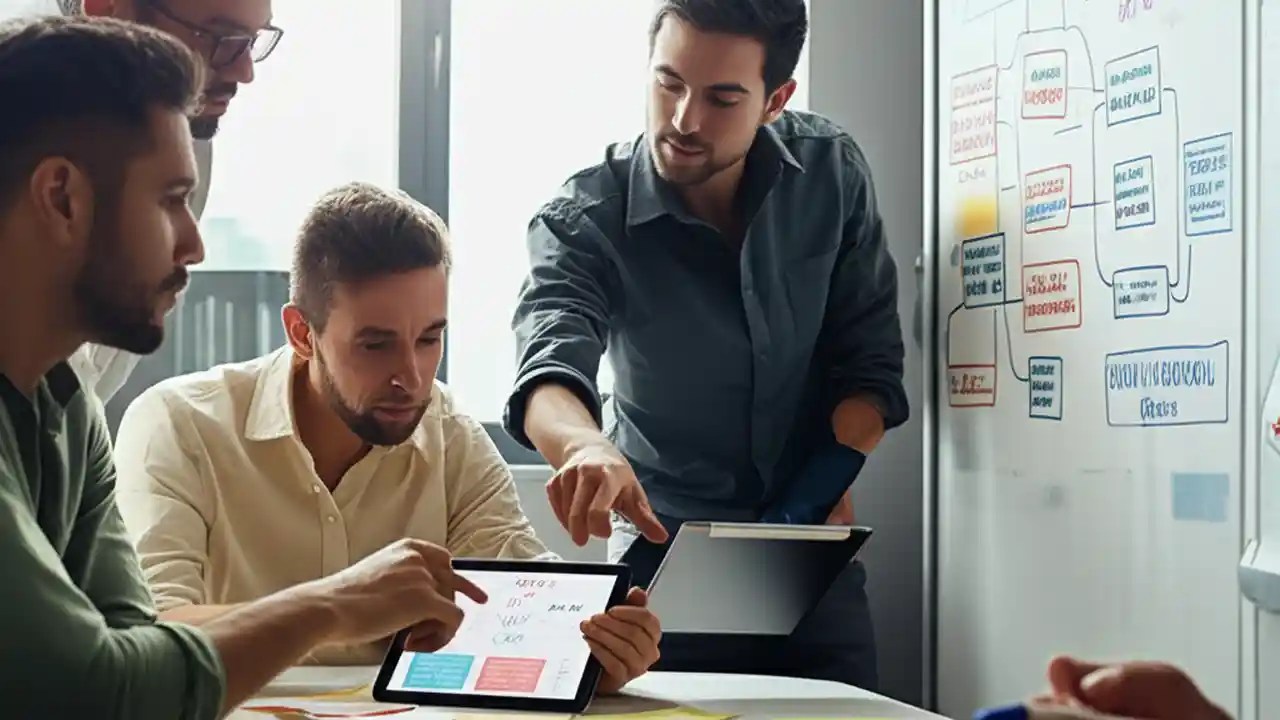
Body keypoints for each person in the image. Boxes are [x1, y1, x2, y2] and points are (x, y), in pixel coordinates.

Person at [0, 16, 486, 718]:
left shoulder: (68, 404)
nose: (195, 245)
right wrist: (335, 604)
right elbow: (102, 690)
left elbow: (139, 647)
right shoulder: (159, 419)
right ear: (62, 198)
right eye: (171, 202)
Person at [113, 181, 662, 692]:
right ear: (303, 333)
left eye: (429, 339)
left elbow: (522, 597)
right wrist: (339, 604)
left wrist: (593, 654)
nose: (413, 377)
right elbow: (153, 636)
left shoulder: (448, 433)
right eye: (375, 345)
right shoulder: (179, 426)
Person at [504, 0, 907, 689]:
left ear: (775, 100)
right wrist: (584, 446)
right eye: (669, 85)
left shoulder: (831, 174)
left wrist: (811, 498)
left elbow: (870, 368)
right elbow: (550, 358)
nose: (685, 120)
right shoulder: (584, 217)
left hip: (808, 555)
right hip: (660, 563)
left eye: (722, 98)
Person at [65, 0, 281, 406]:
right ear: (106, 7)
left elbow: (82, 397)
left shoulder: (187, 135)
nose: (244, 71)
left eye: (253, 41)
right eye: (221, 38)